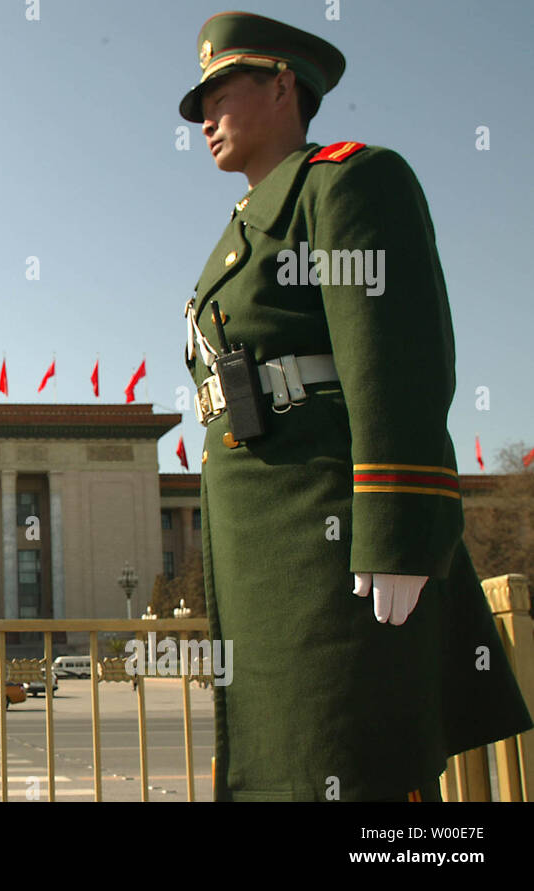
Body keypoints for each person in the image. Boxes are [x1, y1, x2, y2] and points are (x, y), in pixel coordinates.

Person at [178, 11, 533, 801]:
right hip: (262, 547)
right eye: (198, 103)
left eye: (218, 92)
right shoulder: (239, 235)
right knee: (281, 760)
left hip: (327, 531)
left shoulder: (348, 182)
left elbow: (394, 357)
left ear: (281, 85)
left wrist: (396, 528)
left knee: (340, 749)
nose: (204, 117)